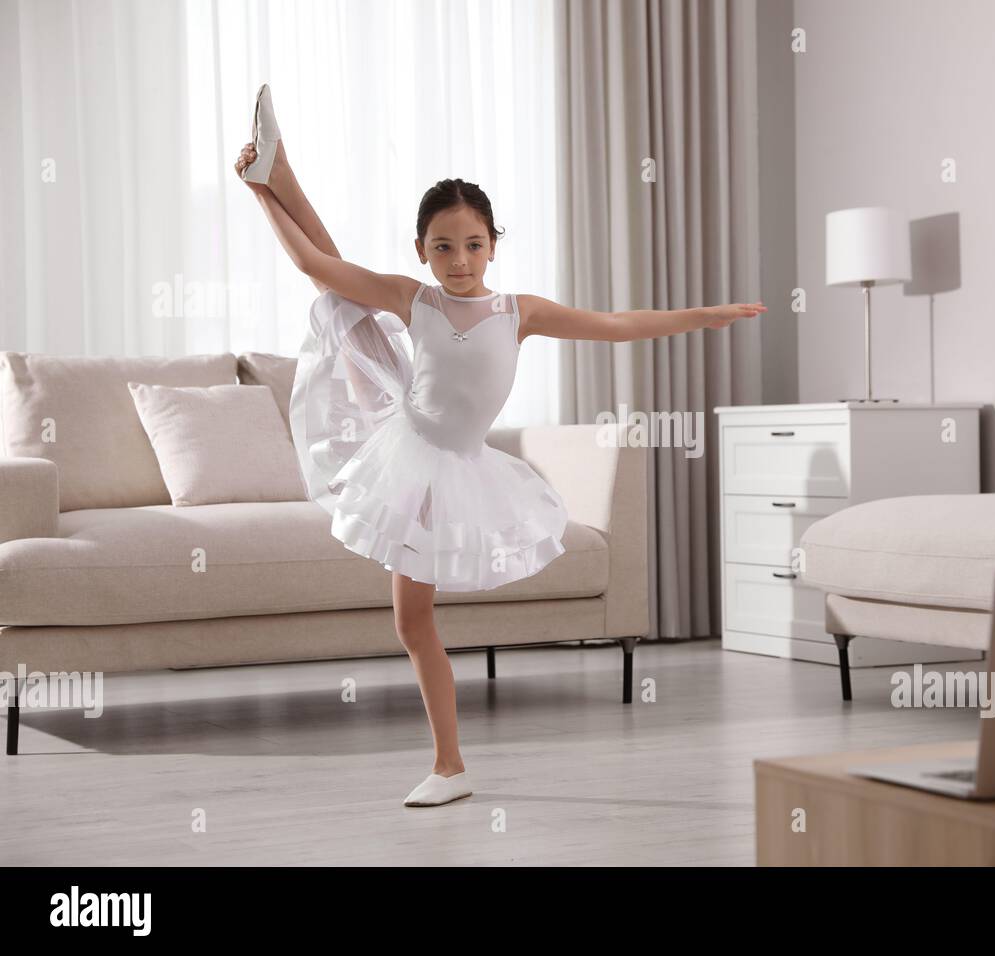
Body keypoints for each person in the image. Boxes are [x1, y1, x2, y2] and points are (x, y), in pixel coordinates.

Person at [234, 84, 765, 808]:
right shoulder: (413, 298)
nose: (459, 259)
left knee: (412, 620)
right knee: (340, 299)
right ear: (420, 251)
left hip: (450, 464)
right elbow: (312, 267)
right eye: (443, 246)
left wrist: (707, 315)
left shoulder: (519, 313)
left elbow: (617, 323)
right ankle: (278, 174)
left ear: (494, 245)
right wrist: (258, 199)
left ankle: (450, 766)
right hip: (405, 438)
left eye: (473, 244)